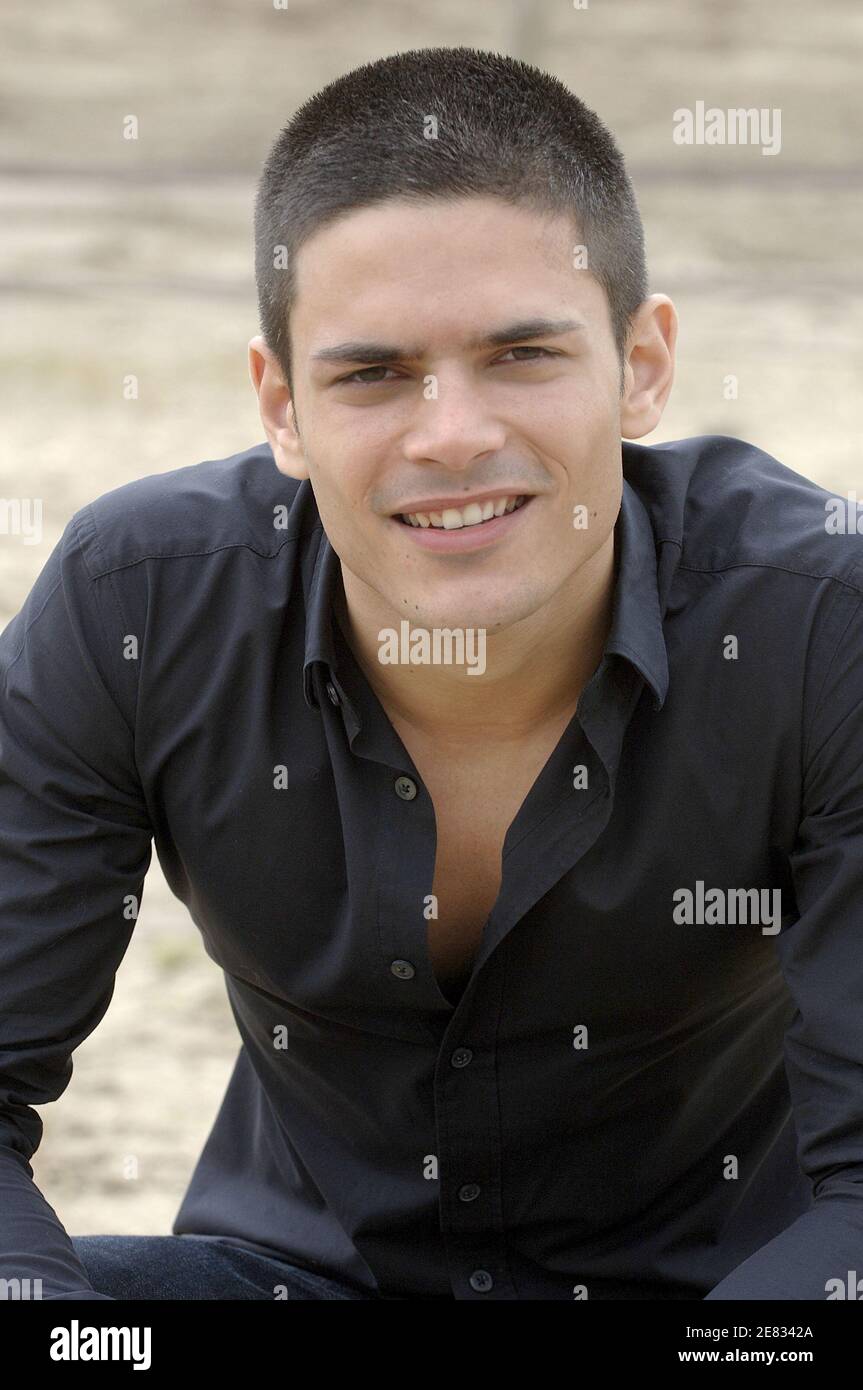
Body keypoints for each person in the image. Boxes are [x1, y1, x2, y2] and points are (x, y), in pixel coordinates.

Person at [2, 45, 862, 1302]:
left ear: (640, 365)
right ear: (281, 404)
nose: (451, 434)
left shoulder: (816, 621)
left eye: (521, 355)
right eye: (371, 373)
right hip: (291, 1282)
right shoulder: (137, 602)